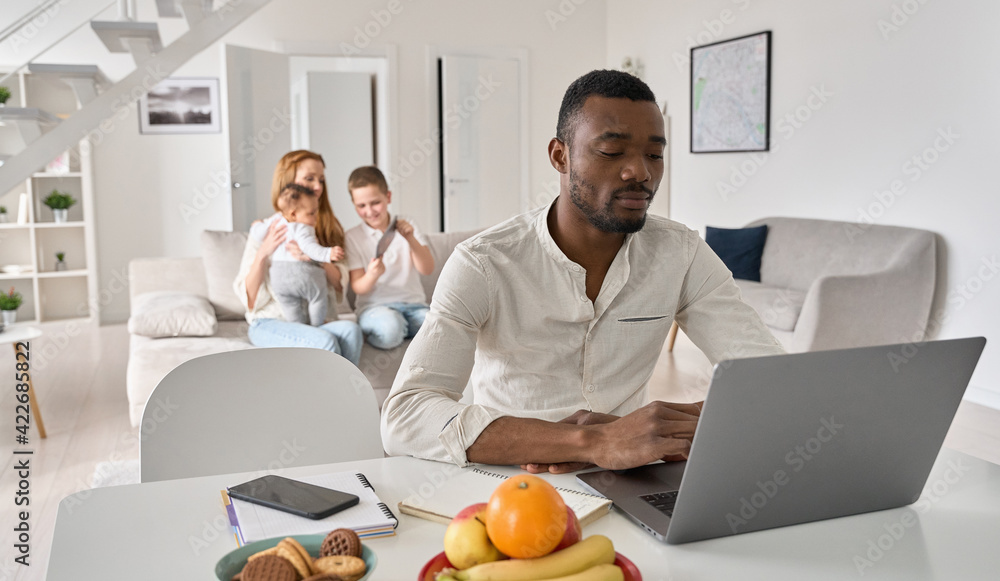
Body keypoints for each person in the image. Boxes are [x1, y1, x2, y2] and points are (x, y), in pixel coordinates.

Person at [380, 70, 785, 472]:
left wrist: (669, 428)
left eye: (654, 154)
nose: (640, 172)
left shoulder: (681, 253)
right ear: (561, 156)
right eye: (612, 152)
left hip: (630, 477)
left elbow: (773, 379)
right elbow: (406, 416)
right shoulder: (483, 263)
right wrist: (590, 442)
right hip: (507, 481)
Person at [234, 150, 363, 366]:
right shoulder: (269, 228)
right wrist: (263, 252)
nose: (318, 186)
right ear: (289, 183)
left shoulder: (327, 228)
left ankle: (342, 398)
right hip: (271, 322)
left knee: (350, 330)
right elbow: (248, 298)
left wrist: (315, 257)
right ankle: (334, 400)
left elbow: (340, 285)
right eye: (309, 178)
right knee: (325, 342)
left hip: (316, 321)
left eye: (321, 179)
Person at [345, 166, 435, 350]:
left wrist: (410, 239)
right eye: (361, 206)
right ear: (354, 205)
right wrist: (372, 275)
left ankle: (404, 328)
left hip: (414, 306)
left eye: (375, 202)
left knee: (439, 329)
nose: (369, 211)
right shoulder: (352, 237)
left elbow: (427, 268)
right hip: (375, 309)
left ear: (388, 197)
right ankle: (396, 329)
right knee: (391, 328)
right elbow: (358, 287)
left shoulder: (407, 224)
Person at [249, 183, 343, 326]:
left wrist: (256, 225)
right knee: (318, 296)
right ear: (293, 214)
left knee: (289, 304)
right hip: (302, 274)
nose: (316, 217)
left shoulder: (275, 220)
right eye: (311, 213)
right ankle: (318, 326)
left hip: (279, 278)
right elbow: (309, 248)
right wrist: (328, 253)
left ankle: (298, 327)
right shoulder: (303, 228)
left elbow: (257, 233)